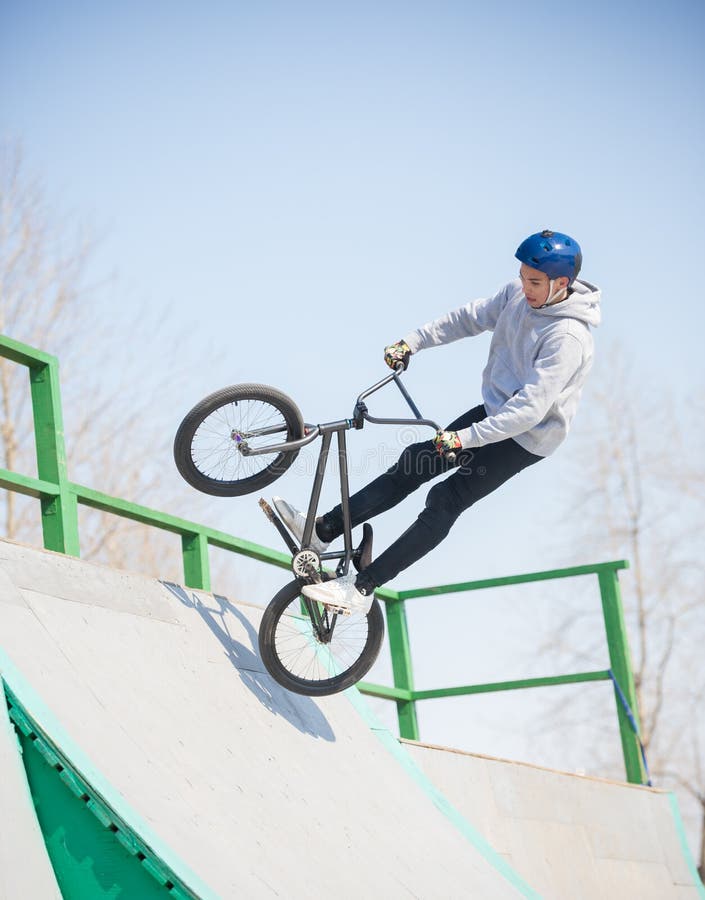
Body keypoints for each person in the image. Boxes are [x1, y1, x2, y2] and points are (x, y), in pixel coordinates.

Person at [273, 229, 601, 614]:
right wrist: (412, 342)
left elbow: (530, 409)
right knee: (416, 462)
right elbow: (468, 318)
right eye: (523, 276)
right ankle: (323, 530)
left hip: (528, 437)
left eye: (534, 282)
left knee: (445, 499)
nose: (524, 287)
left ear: (561, 284)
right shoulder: (515, 295)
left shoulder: (568, 337)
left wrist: (466, 438)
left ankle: (362, 589)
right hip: (497, 412)